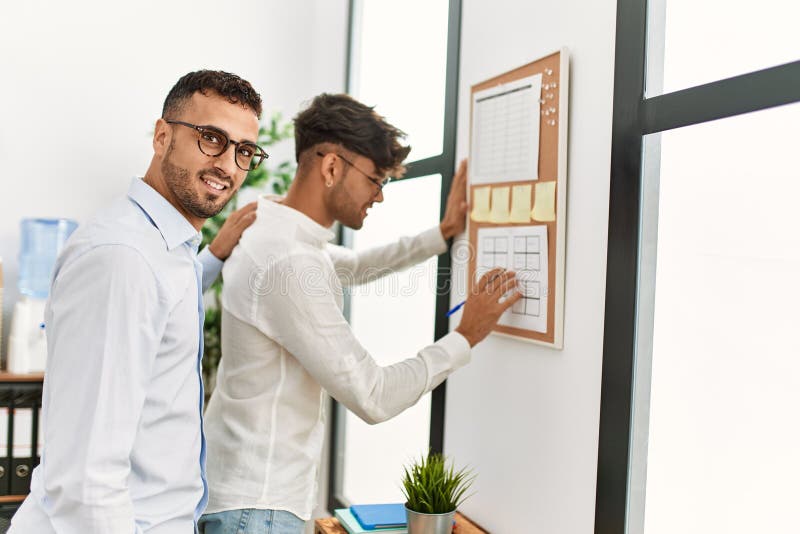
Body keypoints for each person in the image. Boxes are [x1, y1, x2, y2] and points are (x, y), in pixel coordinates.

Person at [200, 93, 521, 534]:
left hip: (242, 497)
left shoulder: (272, 227)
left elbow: (350, 266)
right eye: (376, 180)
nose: (379, 196)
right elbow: (374, 395)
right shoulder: (290, 262)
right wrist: (464, 337)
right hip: (258, 511)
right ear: (331, 167)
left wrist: (442, 234)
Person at [10, 70, 266, 533]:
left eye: (243, 150)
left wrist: (215, 253)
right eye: (212, 139)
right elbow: (87, 481)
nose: (227, 165)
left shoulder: (162, 251)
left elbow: (165, 307)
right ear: (162, 135)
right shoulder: (123, 259)